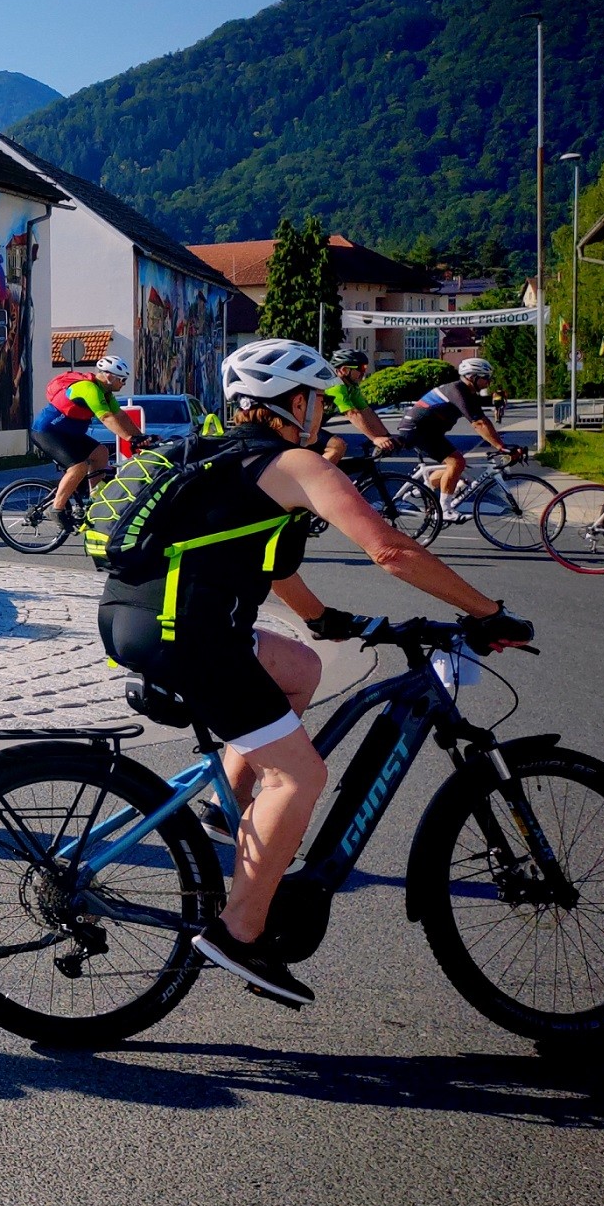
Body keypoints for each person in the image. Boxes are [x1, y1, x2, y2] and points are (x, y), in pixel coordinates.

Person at [98, 339, 526, 1007]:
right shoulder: (291, 462)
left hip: (150, 616)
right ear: (290, 403)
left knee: (298, 667)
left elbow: (271, 564)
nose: (324, 413)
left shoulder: (235, 455)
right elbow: (390, 548)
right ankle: (240, 932)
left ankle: (229, 813)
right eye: (318, 401)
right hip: (185, 634)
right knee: (302, 772)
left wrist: (326, 621)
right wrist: (488, 611)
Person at [397, 358, 513, 516]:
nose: (489, 381)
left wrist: (500, 444)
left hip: (428, 431)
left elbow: (482, 418)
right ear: (472, 377)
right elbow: (479, 423)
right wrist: (501, 447)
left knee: (455, 465)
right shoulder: (457, 390)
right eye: (486, 377)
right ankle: (445, 510)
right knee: (457, 462)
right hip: (417, 430)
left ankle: (418, 493)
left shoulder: (467, 392)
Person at [31, 355, 140, 520]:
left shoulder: (106, 394)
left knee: (101, 453)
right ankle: (56, 509)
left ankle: (94, 500)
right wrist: (130, 438)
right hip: (47, 432)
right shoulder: (88, 388)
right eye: (122, 380)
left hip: (69, 434)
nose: (123, 384)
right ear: (110, 376)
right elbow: (107, 418)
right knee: (78, 467)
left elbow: (121, 416)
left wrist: (141, 437)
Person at [318, 348, 395, 463]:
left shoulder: (351, 387)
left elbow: (366, 412)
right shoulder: (334, 385)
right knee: (337, 447)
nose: (363, 373)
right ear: (344, 370)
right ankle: (315, 480)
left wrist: (386, 436)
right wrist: (375, 438)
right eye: (361, 368)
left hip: (313, 429)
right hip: (300, 428)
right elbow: (352, 414)